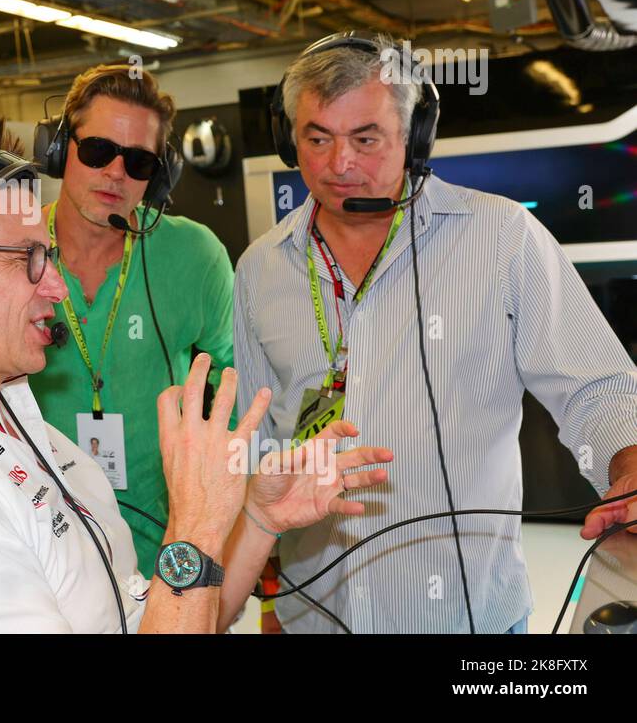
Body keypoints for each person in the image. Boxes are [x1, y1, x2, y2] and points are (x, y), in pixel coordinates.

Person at [0, 118, 391, 633]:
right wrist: (194, 527)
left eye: (49, 256)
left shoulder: (35, 439)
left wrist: (259, 518)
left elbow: (171, 615)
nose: (55, 286)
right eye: (28, 257)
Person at [233, 31, 637, 633]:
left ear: (415, 137)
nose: (339, 164)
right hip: (312, 615)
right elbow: (261, 446)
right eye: (317, 138)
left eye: (365, 138)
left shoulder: (502, 240)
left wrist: (627, 466)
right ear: (289, 141)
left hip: (466, 619)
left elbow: (595, 388)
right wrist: (269, 597)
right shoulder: (261, 267)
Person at [31, 63, 235, 574]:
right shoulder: (9, 247)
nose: (117, 173)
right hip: (43, 561)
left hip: (168, 561)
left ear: (160, 176)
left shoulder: (196, 255)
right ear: (58, 149)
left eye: (140, 162)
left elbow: (232, 401)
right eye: (98, 151)